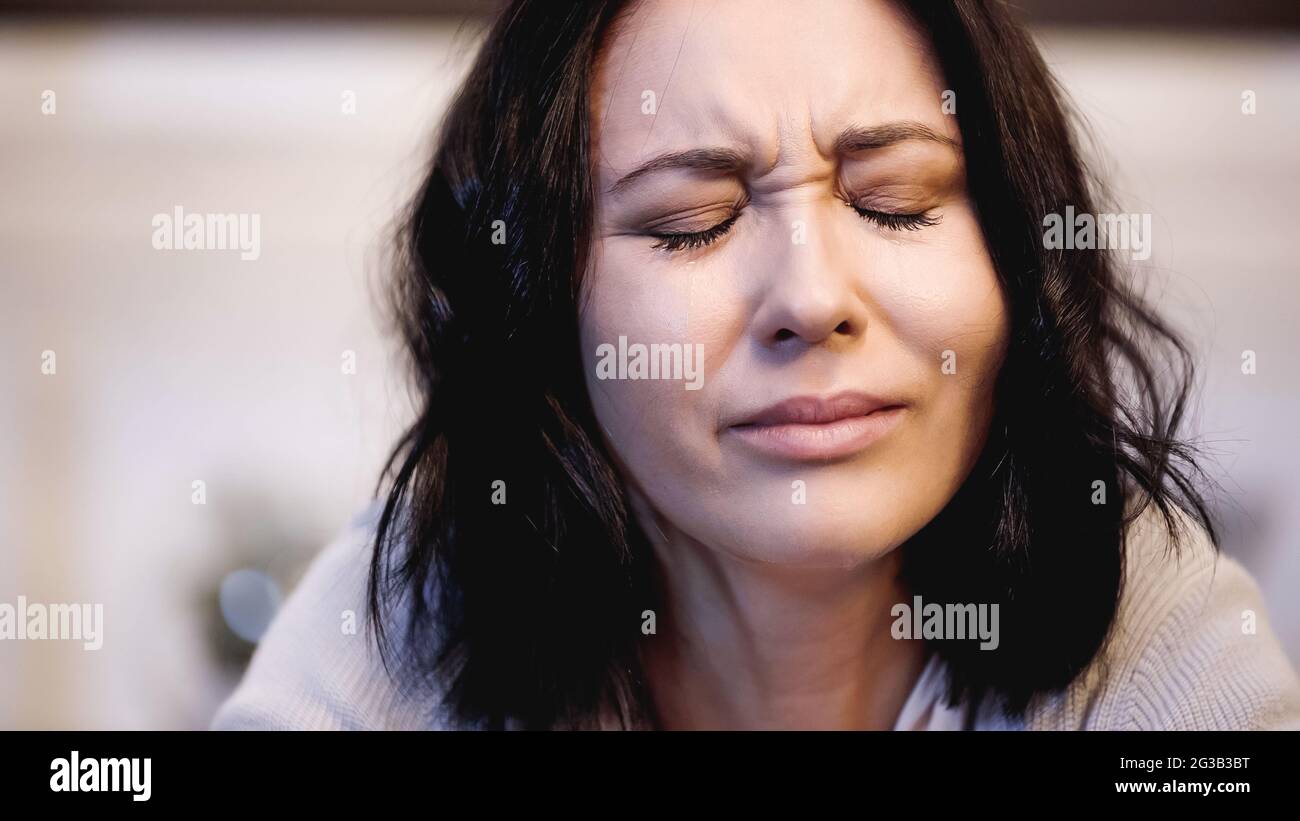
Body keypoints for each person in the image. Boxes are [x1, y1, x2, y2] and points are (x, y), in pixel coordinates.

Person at [212, 0, 1300, 731]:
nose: (812, 298)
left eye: (895, 202)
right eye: (693, 222)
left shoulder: (1144, 631)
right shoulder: (412, 620)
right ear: (541, 306)